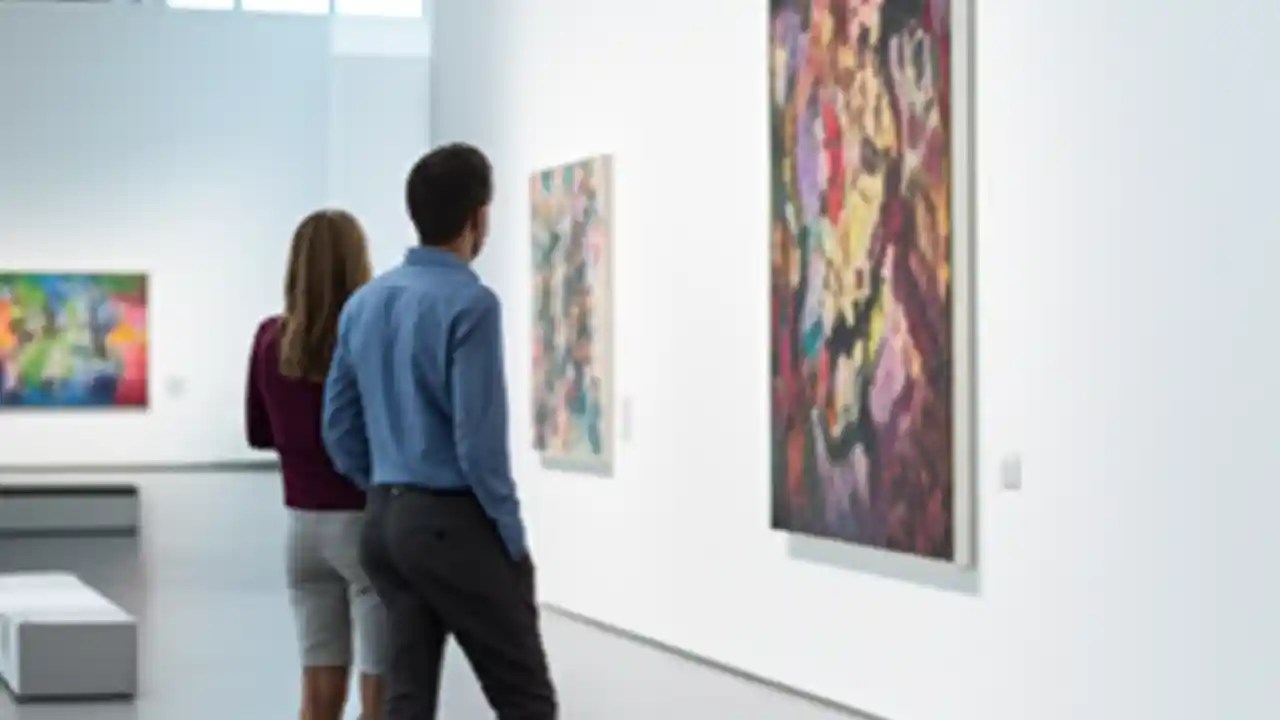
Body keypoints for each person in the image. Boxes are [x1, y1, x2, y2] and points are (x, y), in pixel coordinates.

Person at [322, 144, 557, 719]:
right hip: (452, 524)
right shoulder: (471, 304)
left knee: (407, 699)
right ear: (478, 217)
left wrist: (383, 483)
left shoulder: (364, 304)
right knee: (526, 697)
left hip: (384, 523)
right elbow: (479, 445)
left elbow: (338, 426)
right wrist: (511, 539)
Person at [245, 209, 386, 720]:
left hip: (303, 529)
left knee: (317, 698)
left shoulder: (269, 339)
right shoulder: (371, 338)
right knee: (382, 694)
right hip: (364, 524)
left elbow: (259, 432)